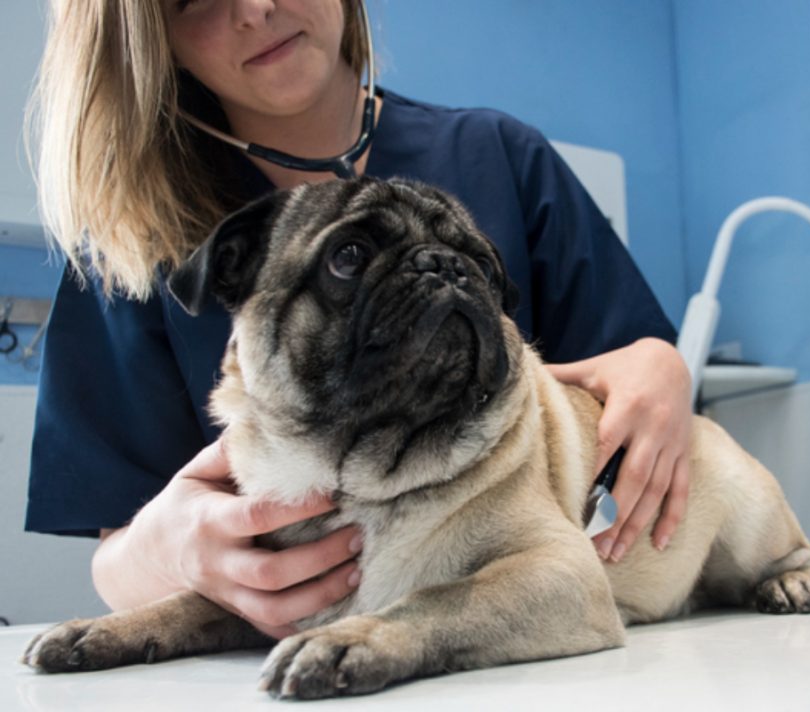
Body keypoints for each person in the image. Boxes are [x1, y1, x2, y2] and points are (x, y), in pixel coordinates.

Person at [25, 0, 692, 639]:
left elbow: (622, 390)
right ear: (148, 42)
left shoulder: (500, 156)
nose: (255, 7)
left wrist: (661, 367)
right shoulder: (131, 246)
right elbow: (117, 558)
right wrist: (162, 555)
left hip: (505, 643)